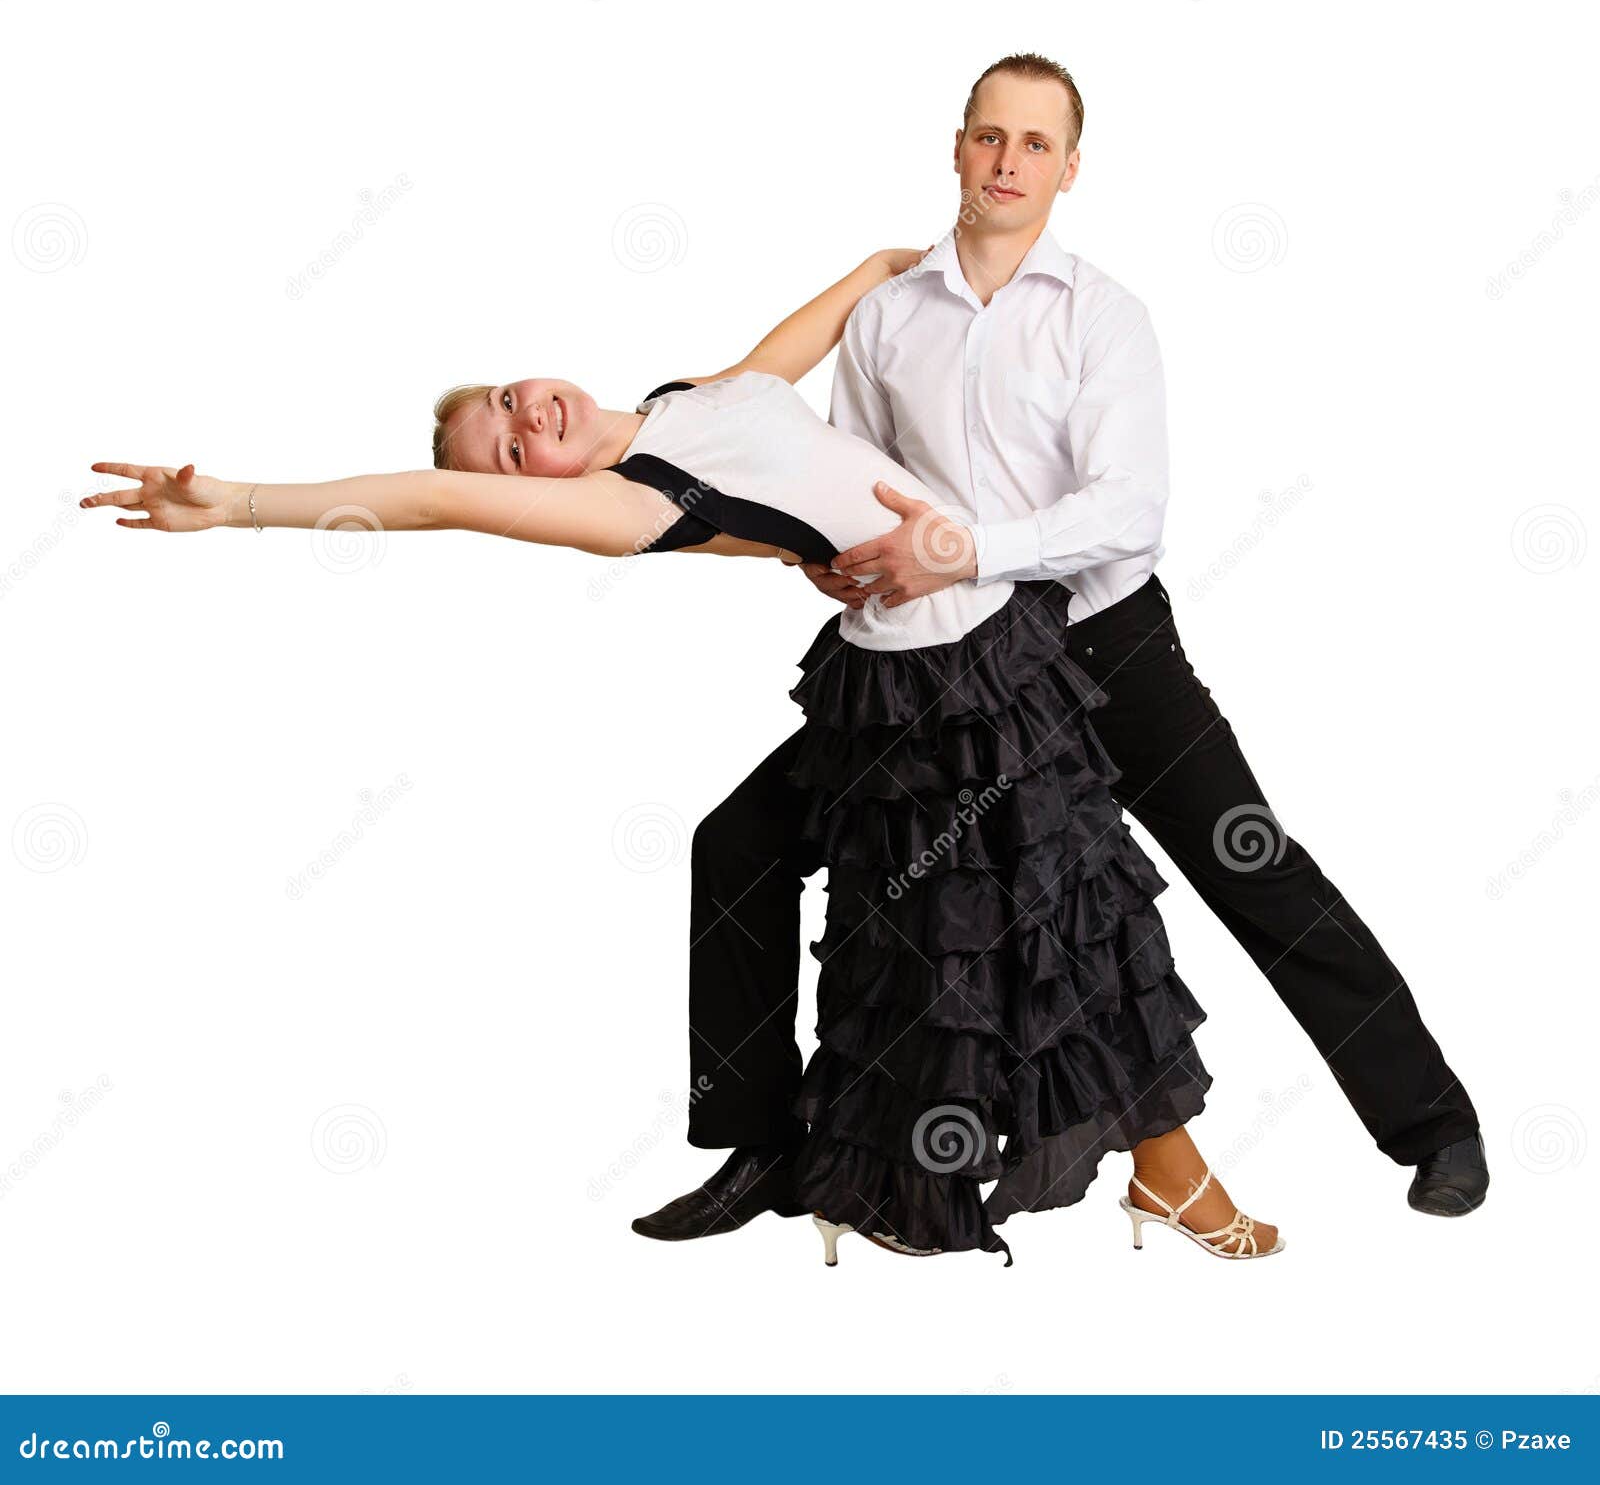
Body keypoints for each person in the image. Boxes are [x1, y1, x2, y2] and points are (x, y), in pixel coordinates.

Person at [82, 260, 1284, 1262]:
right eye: (506, 451)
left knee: (1040, 909)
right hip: (924, 679)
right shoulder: (623, 500)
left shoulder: (683, 400)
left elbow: (825, 332)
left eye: (509, 398)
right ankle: (787, 1150)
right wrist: (236, 502)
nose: (525, 422)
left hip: (966, 641)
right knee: (994, 916)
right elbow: (429, 501)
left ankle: (1157, 1177)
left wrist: (919, 264)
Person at [635, 52, 1486, 1247]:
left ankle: (1432, 1124)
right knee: (739, 844)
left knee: (1248, 863)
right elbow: (861, 481)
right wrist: (839, 559)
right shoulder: (882, 320)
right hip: (947, 673)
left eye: (1034, 144)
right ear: (955, 147)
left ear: (1070, 168)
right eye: (989, 136)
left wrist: (965, 549)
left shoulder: (1102, 314)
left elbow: (1124, 510)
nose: (1006, 161)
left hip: (1102, 644)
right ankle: (764, 1148)